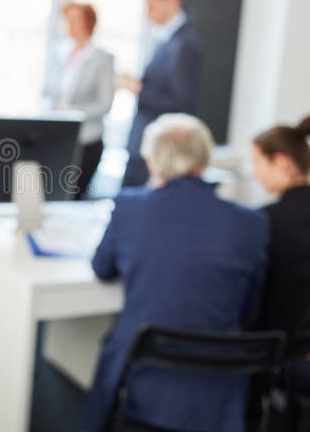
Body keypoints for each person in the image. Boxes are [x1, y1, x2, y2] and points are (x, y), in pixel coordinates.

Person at [83, 114, 268, 432]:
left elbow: (102, 268)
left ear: (152, 162)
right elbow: (251, 307)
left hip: (143, 376)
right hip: (219, 386)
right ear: (204, 159)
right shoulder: (251, 222)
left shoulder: (130, 208)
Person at [251, 115, 310, 388]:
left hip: (283, 359)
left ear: (280, 161)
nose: (255, 173)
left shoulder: (262, 221)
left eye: (258, 163)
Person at [119, 0, 202, 187]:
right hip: (147, 142)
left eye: (152, 6)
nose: (149, 14)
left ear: (172, 0)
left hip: (158, 145)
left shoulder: (184, 44)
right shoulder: (168, 38)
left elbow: (181, 102)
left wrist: (139, 89)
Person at [44, 1, 115, 198]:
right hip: (57, 137)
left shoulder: (102, 58)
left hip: (86, 140)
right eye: (66, 19)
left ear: (87, 23)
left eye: (73, 19)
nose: (67, 24)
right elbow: (48, 92)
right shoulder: (58, 53)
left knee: (73, 197)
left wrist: (71, 114)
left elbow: (104, 104)